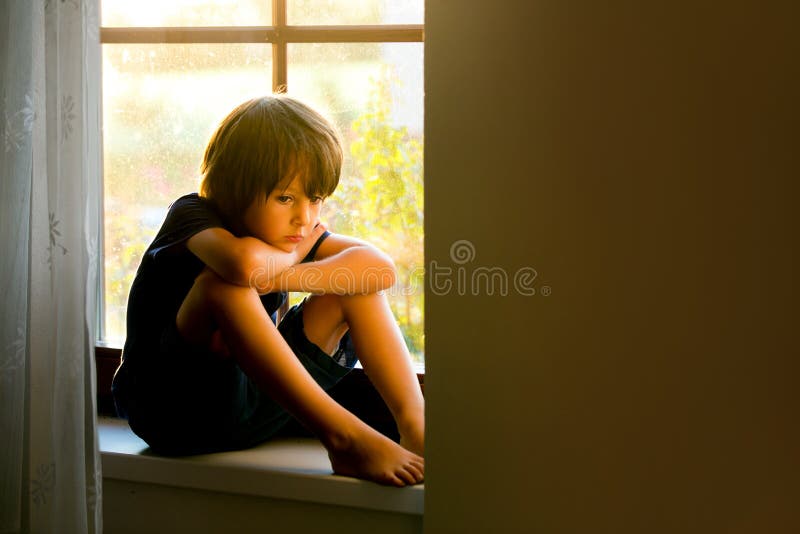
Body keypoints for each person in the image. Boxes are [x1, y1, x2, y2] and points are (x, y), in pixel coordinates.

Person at [111, 95, 425, 487]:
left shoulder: (290, 233)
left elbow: (379, 269)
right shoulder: (192, 214)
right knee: (222, 287)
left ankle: (417, 428)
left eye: (316, 199)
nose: (305, 217)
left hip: (253, 409)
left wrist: (279, 273)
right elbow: (242, 265)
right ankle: (344, 437)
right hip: (174, 414)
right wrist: (288, 261)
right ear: (232, 187)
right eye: (286, 198)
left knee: (354, 285)